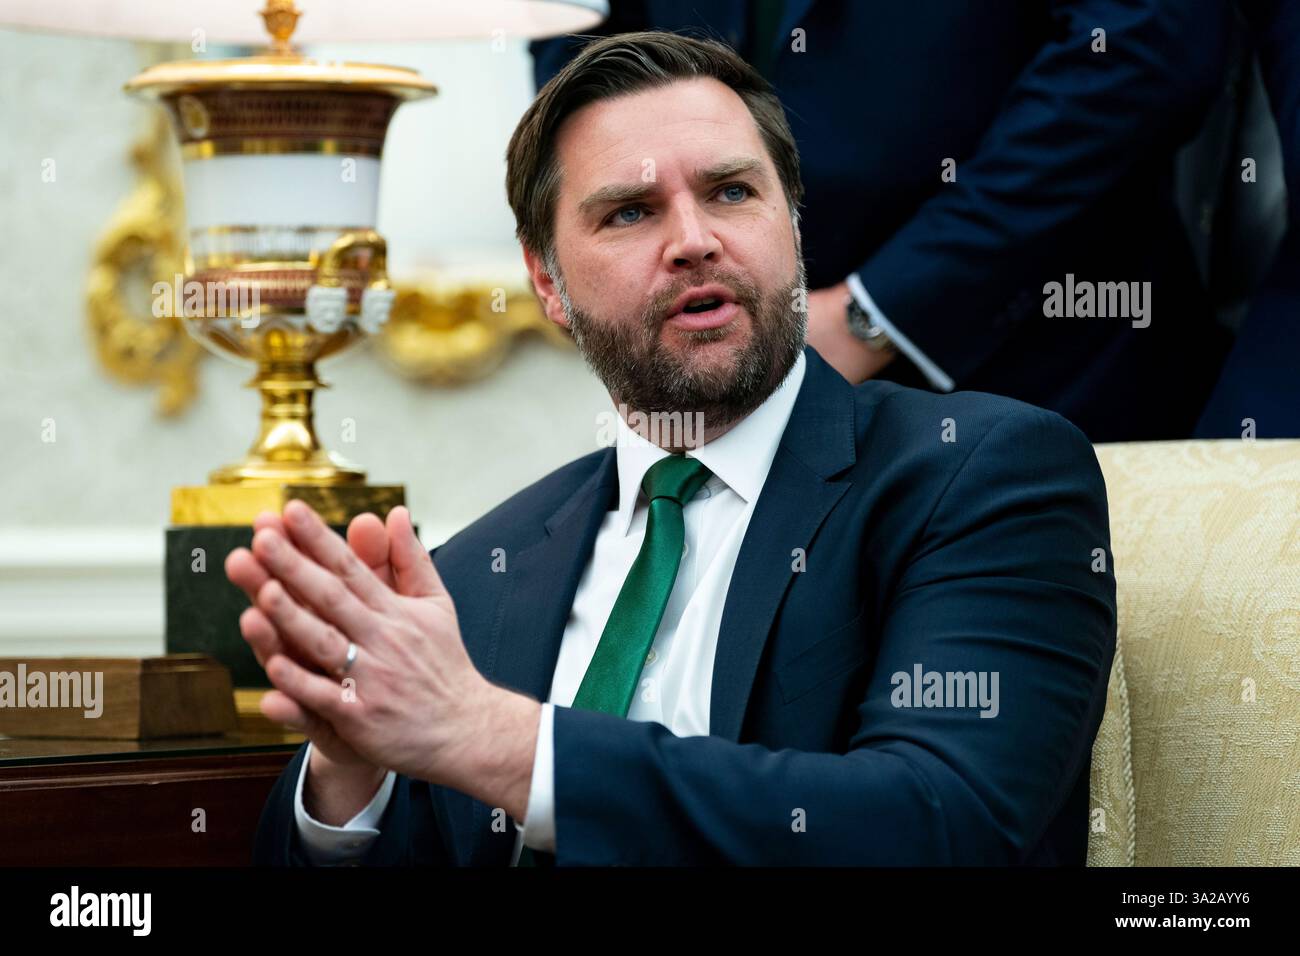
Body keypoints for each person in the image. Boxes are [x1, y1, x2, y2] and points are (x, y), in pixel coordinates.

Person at [233, 32, 1117, 866]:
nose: (694, 240)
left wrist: (501, 744)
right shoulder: (475, 572)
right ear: (547, 280)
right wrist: (351, 777)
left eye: (733, 192)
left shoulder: (982, 480)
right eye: (630, 211)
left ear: (793, 226)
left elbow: (943, 824)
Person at [531, 0, 1236, 443]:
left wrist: (883, 309)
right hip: (725, 406)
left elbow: (1141, 49)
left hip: (1051, 371)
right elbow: (577, 39)